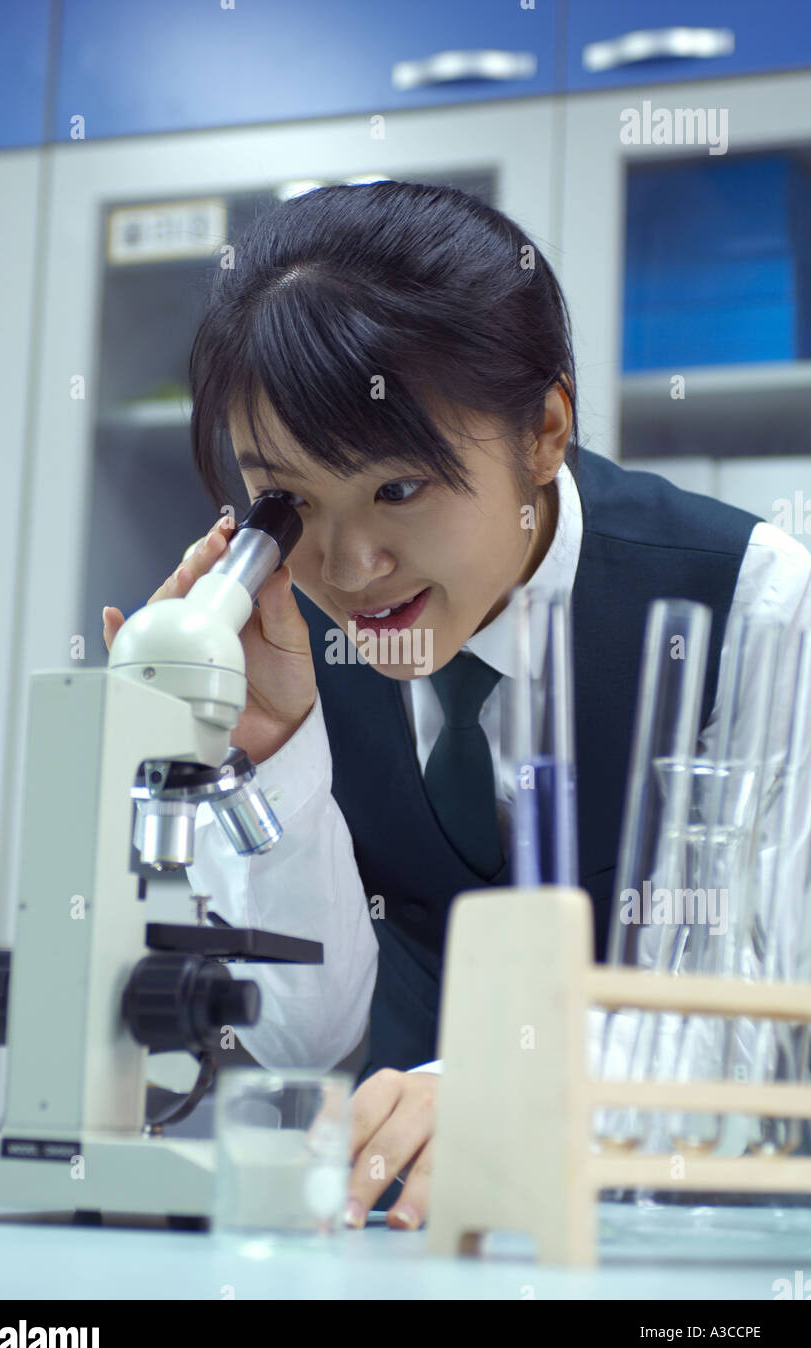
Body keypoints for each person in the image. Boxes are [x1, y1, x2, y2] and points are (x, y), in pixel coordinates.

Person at [103, 180, 811, 1232]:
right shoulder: (279, 635)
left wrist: (497, 1087)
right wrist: (276, 755)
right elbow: (301, 1036)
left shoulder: (756, 605)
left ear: (544, 432)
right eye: (290, 501)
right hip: (407, 1240)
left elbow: (768, 1015)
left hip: (684, 1243)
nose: (348, 566)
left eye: (397, 490)